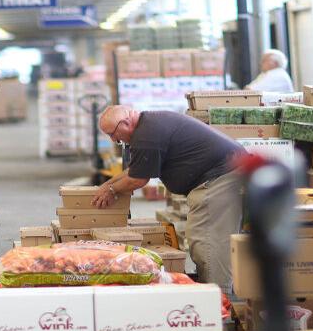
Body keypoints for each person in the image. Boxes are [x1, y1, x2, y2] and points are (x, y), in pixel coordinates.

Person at [92, 105, 244, 294]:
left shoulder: (146, 135)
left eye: (113, 134)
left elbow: (138, 179)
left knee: (208, 241)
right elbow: (134, 170)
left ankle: (218, 301)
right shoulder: (147, 126)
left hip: (219, 179)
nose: (114, 140)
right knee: (206, 239)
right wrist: (106, 186)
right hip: (222, 174)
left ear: (126, 122)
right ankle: (219, 294)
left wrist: (112, 190)